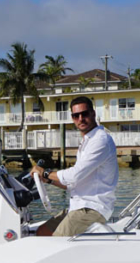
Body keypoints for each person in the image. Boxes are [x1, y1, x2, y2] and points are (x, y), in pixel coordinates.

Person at [32, 96, 118, 236]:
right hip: (78, 206)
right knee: (42, 232)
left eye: (84, 114)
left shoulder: (100, 140)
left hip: (92, 208)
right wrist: (48, 180)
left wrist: (45, 172)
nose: (80, 118)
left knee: (53, 242)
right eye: (76, 115)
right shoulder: (87, 141)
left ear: (93, 113)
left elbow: (74, 175)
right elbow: (73, 184)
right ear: (72, 118)